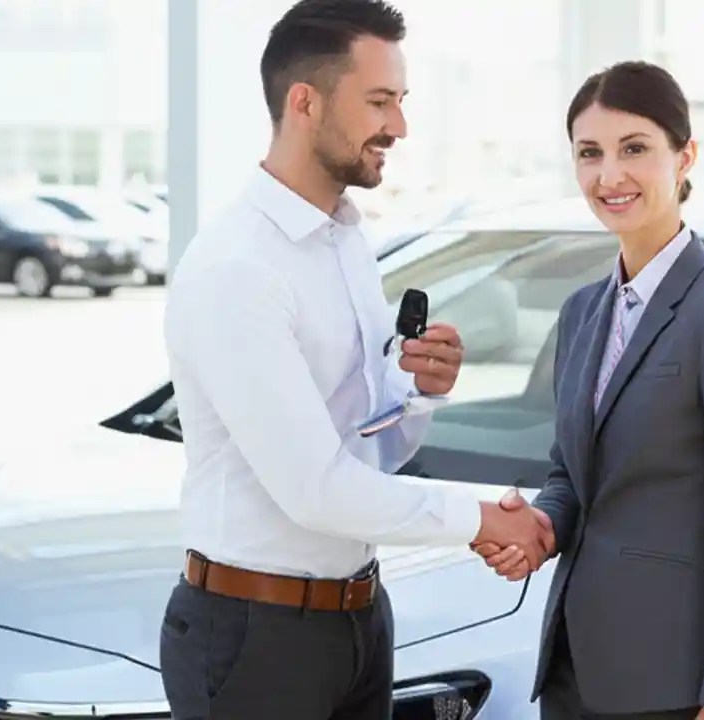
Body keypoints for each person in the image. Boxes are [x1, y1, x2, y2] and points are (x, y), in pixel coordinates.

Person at [157, 2, 552, 718]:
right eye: (379, 102)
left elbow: (374, 454)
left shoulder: (345, 244)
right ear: (303, 103)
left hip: (359, 618)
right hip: (257, 636)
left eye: (400, 102)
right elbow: (316, 489)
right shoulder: (238, 268)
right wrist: (480, 518)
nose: (398, 127)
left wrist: (417, 389)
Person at [474, 61, 704, 720]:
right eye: (589, 154)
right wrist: (539, 528)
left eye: (634, 149)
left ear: (685, 157)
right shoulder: (582, 313)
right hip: (572, 673)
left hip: (673, 688)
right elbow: (573, 473)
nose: (608, 175)